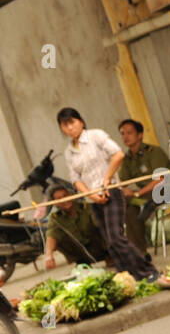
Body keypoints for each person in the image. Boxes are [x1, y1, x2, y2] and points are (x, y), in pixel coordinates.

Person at [58, 107, 158, 281]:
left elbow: (118, 155)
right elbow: (75, 178)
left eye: (72, 122)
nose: (70, 128)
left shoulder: (96, 136)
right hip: (93, 200)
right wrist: (91, 195)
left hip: (111, 192)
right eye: (64, 125)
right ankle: (127, 277)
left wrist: (106, 181)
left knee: (116, 237)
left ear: (80, 121)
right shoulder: (69, 152)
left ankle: (148, 270)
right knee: (109, 243)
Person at [117, 118, 170, 254]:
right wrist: (121, 189)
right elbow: (121, 181)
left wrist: (137, 194)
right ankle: (138, 252)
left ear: (140, 135)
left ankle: (138, 252)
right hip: (145, 194)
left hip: (166, 190)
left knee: (131, 206)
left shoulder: (153, 152)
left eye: (129, 133)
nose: (125, 137)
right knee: (125, 205)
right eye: (122, 133)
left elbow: (161, 179)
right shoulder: (127, 158)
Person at [43, 183, 108, 269]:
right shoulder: (56, 218)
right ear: (55, 204)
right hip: (81, 249)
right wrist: (49, 256)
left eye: (65, 195)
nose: (64, 200)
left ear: (71, 195)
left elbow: (101, 225)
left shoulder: (86, 206)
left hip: (98, 245)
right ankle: (81, 262)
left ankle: (109, 256)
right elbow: (51, 235)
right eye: (59, 199)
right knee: (56, 239)